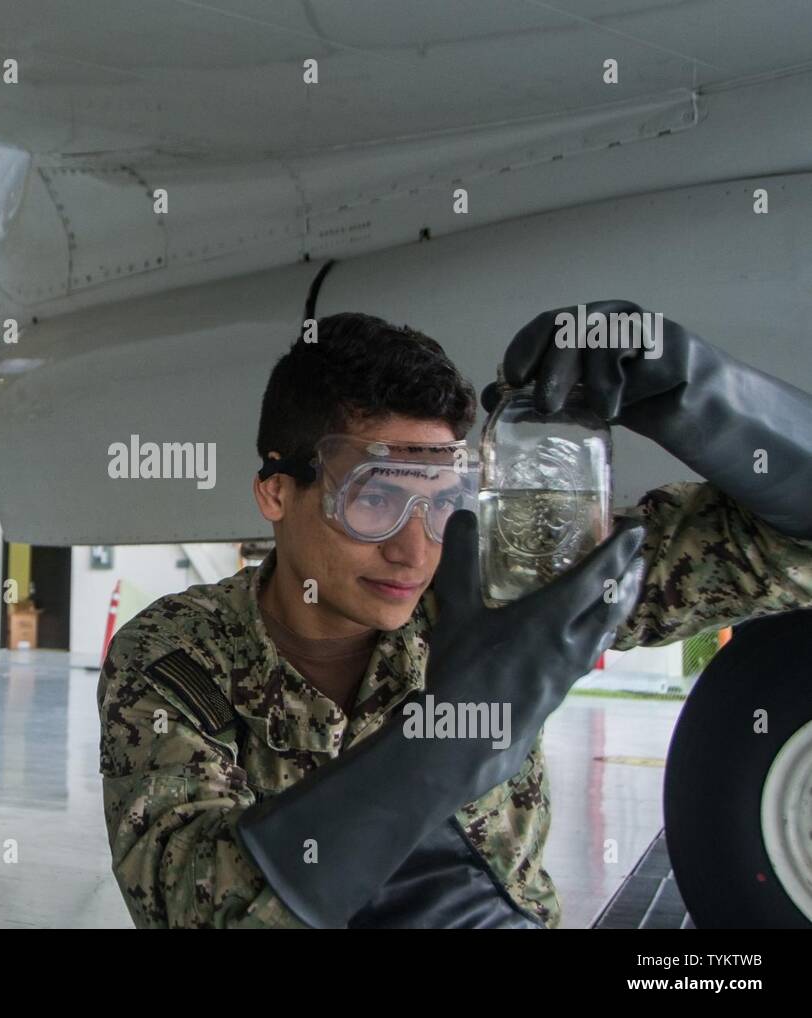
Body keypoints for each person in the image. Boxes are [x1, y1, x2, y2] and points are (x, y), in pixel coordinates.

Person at [98, 302, 812, 928]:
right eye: (375, 500)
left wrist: (708, 397)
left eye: (442, 503)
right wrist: (443, 746)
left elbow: (786, 551)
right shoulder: (179, 656)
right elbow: (189, 904)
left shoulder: (492, 592)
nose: (415, 552)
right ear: (276, 492)